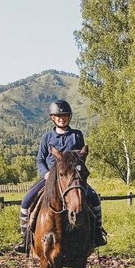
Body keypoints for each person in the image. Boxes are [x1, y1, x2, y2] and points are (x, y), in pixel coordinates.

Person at [14, 99, 106, 253]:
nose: (62, 119)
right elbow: (40, 159)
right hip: (51, 177)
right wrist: (46, 173)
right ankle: (25, 239)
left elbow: (81, 157)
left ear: (69, 117)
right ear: (53, 118)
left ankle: (97, 233)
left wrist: (78, 172)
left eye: (64, 116)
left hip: (71, 178)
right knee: (26, 200)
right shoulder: (47, 137)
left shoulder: (76, 135)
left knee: (94, 198)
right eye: (58, 116)